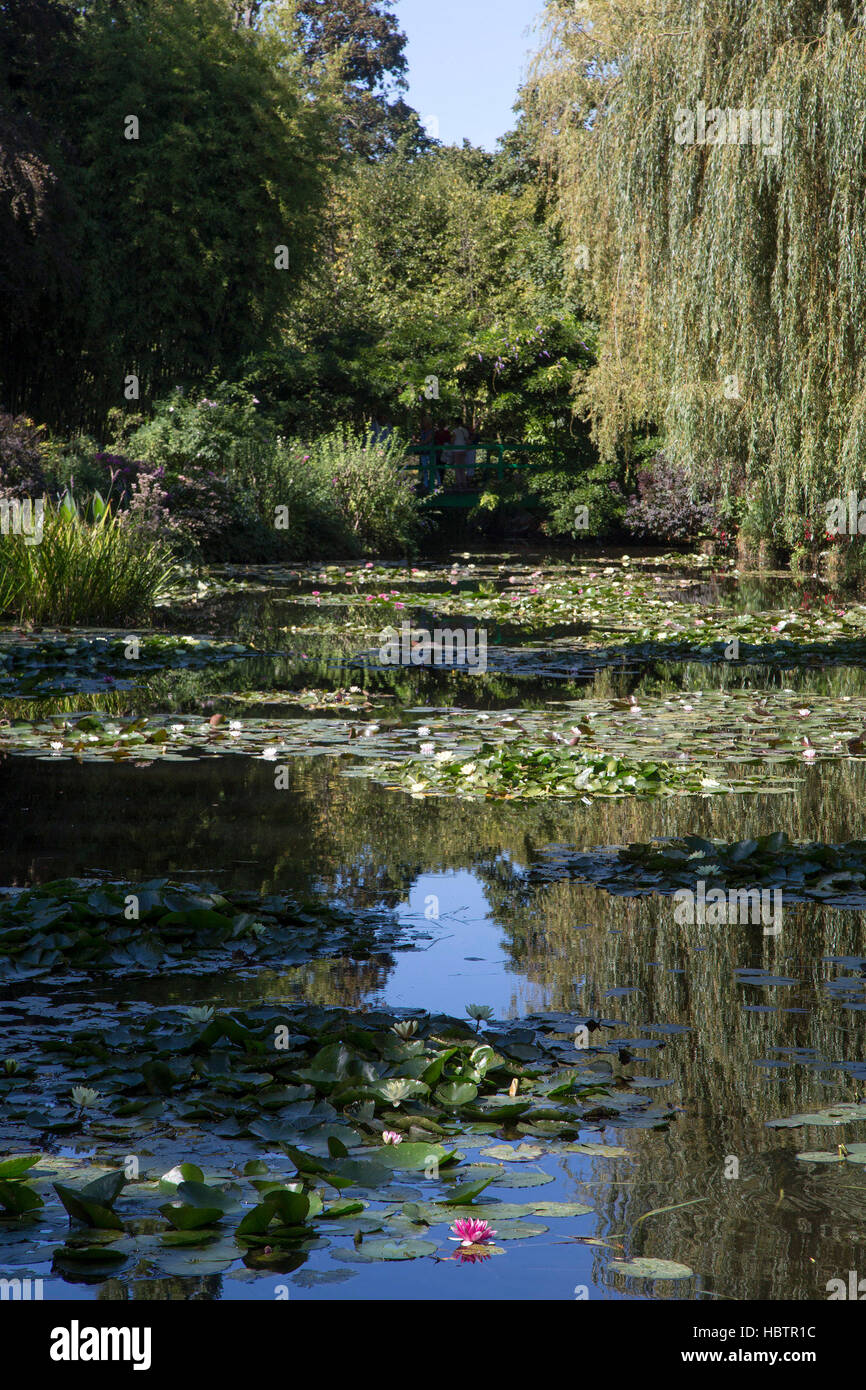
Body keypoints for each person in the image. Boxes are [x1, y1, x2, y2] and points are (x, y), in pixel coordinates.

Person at [451, 418, 471, 489]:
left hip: (457, 450)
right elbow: (467, 439)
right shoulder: (465, 430)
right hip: (463, 450)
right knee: (462, 467)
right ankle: (464, 483)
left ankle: (459, 483)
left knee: (457, 467)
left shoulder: (455, 431)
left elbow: (452, 441)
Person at [433, 422, 451, 486]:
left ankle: (441, 481)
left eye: (442, 425)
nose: (441, 426)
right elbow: (434, 441)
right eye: (439, 425)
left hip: (444, 452)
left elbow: (449, 441)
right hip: (437, 452)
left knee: (442, 467)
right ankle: (438, 481)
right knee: (437, 467)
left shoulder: (447, 433)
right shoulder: (436, 433)